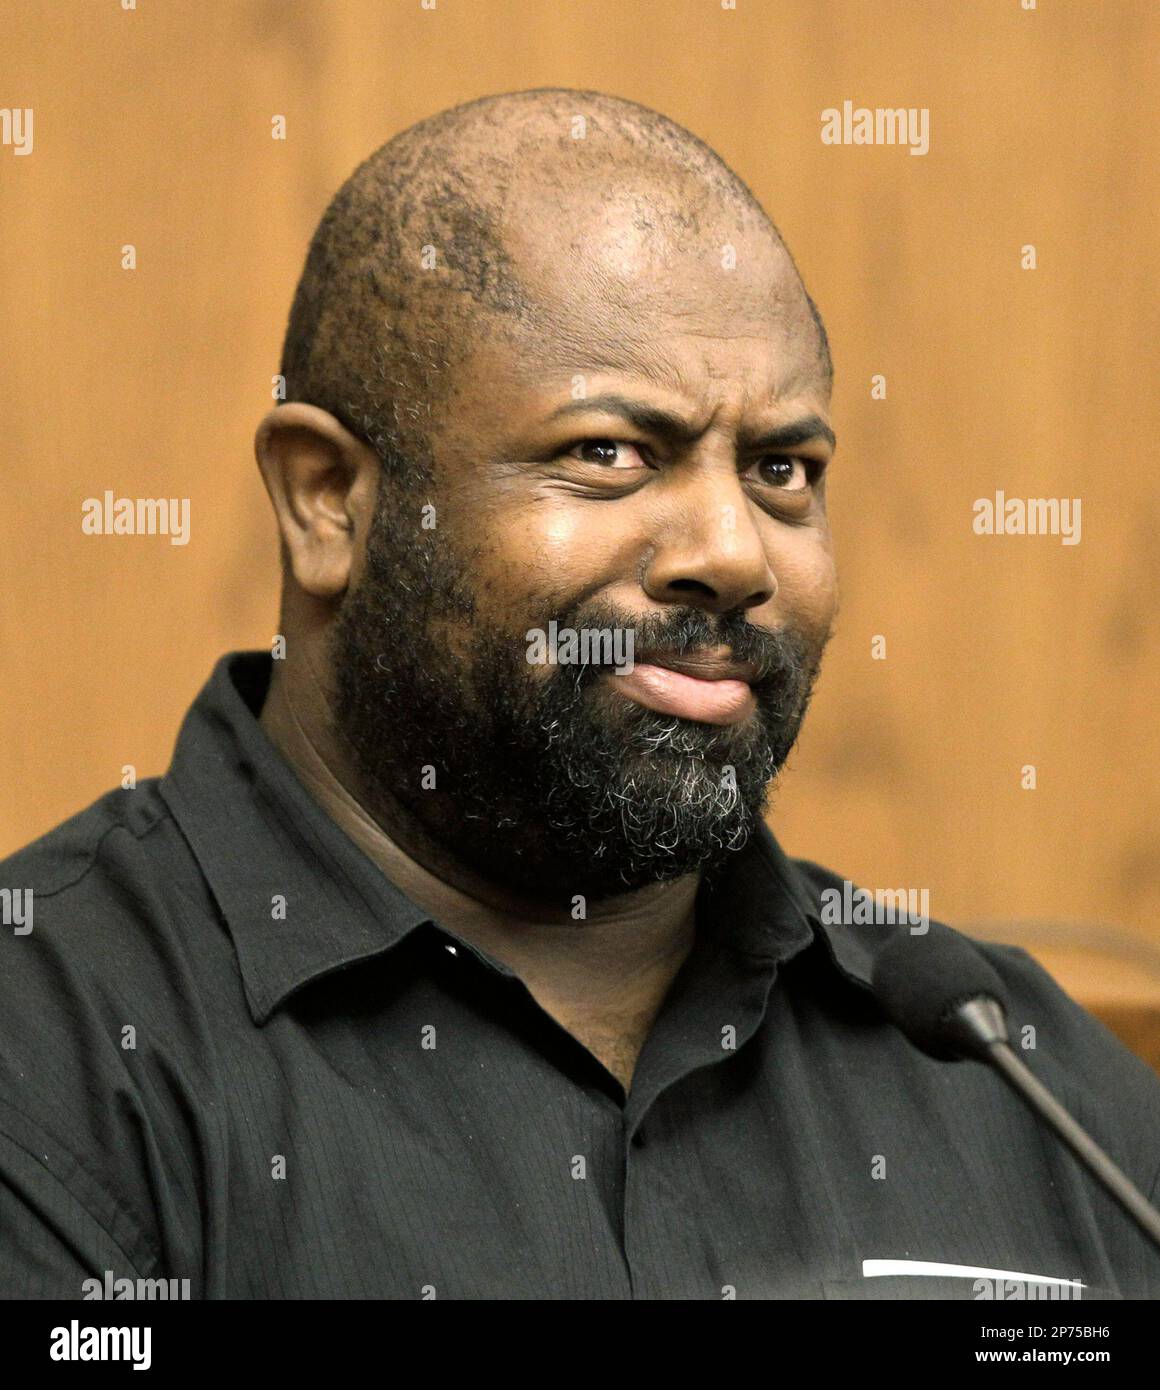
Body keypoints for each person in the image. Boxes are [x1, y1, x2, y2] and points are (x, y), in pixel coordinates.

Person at [2, 88, 1157, 1299]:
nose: (734, 552)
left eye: (780, 470)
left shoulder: (1010, 1076)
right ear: (326, 500)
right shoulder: (52, 1049)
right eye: (607, 452)